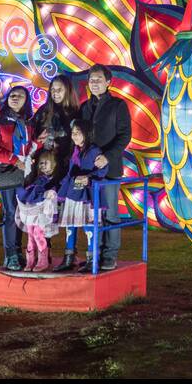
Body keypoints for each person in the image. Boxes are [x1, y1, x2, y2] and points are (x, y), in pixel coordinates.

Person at [77, 65, 131, 271]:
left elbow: (124, 135)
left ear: (109, 82)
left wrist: (107, 157)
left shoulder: (118, 105)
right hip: (88, 170)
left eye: (99, 79)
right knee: (91, 214)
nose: (95, 83)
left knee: (110, 214)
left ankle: (109, 255)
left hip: (109, 170)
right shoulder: (84, 107)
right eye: (91, 79)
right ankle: (93, 254)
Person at [0, 85, 34, 271]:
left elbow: (29, 148)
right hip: (7, 171)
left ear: (26, 101)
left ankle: (19, 252)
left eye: (20, 96)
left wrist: (38, 142)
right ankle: (10, 255)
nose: (15, 98)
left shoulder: (27, 123)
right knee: (11, 212)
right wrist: (13, 160)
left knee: (22, 213)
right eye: (12, 95)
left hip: (25, 172)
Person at [56, 120, 109, 271]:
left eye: (78, 133)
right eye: (73, 133)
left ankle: (92, 259)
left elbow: (103, 170)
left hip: (87, 195)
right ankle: (69, 258)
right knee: (70, 225)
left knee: (88, 226)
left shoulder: (93, 151)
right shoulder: (76, 150)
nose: (74, 136)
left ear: (86, 133)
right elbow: (70, 173)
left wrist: (89, 178)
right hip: (73, 193)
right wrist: (59, 189)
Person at [15, 149, 62, 271]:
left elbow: (52, 193)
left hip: (42, 213)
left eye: (46, 162)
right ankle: (30, 260)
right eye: (41, 163)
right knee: (30, 234)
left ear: (53, 164)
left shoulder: (53, 180)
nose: (42, 165)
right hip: (32, 211)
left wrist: (48, 193)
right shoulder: (37, 179)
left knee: (38, 234)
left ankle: (43, 260)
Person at [31, 76, 79, 170]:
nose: (55, 93)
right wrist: (36, 139)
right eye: (53, 89)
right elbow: (31, 130)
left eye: (59, 89)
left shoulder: (76, 112)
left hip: (65, 161)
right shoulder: (43, 110)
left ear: (67, 90)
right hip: (43, 161)